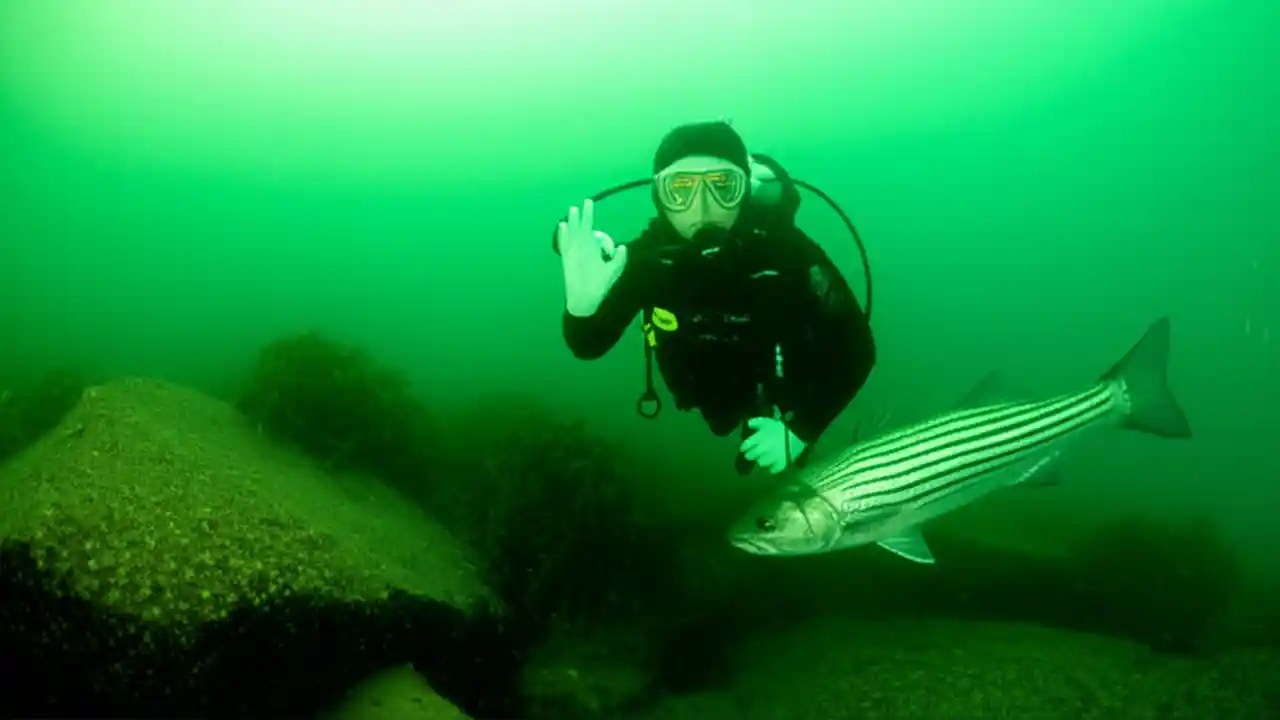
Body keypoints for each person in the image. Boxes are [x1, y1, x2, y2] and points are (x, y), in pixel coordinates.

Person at [554, 120, 876, 475]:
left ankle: (764, 417)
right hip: (701, 387)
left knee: (779, 437)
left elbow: (858, 348)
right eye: (681, 189)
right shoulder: (647, 261)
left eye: (724, 186)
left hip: (778, 384)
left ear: (745, 190)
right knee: (720, 420)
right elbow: (588, 345)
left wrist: (803, 428)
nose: (702, 209)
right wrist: (581, 310)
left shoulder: (786, 251)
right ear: (659, 197)